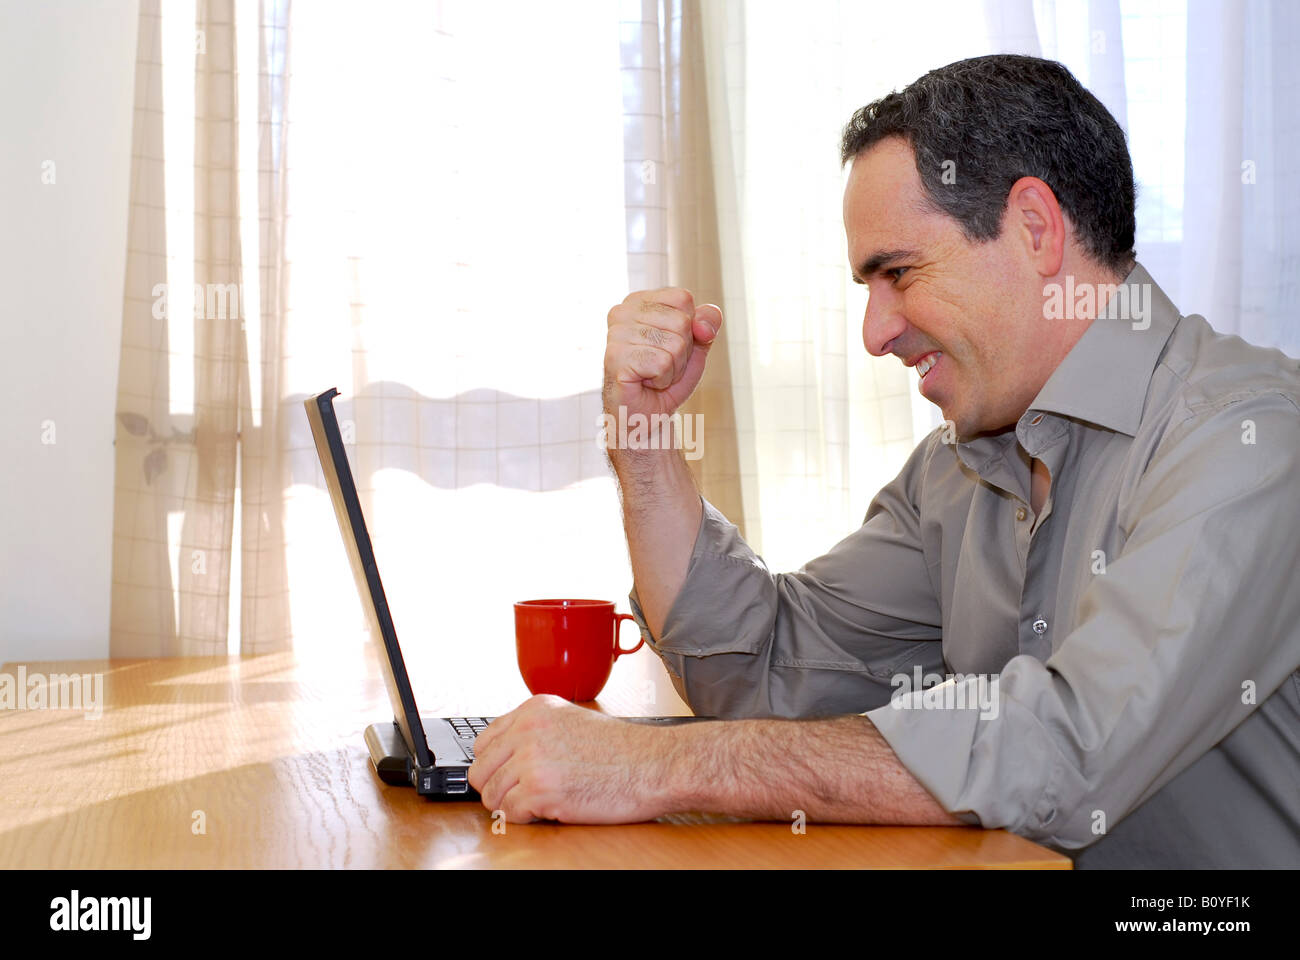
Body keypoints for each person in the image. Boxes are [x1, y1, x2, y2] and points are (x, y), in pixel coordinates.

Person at [467, 54, 1300, 868]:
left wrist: (653, 765)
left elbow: (1064, 746)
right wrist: (644, 447)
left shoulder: (1249, 438)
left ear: (1036, 230)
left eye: (898, 272)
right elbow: (766, 673)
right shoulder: (961, 465)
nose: (875, 333)